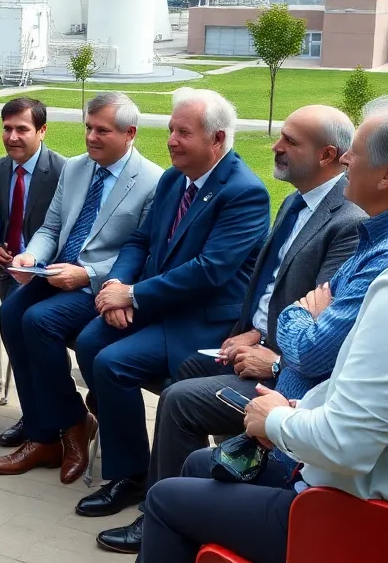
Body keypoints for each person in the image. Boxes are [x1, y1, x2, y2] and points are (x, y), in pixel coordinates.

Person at [138, 81, 388, 563]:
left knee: (166, 500)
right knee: (200, 463)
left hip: (373, 524)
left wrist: (276, 417)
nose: (345, 161)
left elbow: (345, 444)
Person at [103, 102, 388, 553]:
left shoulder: (368, 236)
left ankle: (175, 506)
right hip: (279, 378)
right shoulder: (307, 205)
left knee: (175, 401)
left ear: (385, 174)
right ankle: (215, 480)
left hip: (296, 399)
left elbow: (317, 346)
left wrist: (282, 343)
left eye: (291, 141)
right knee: (184, 379)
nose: (274, 146)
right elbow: (285, 293)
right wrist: (261, 331)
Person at [74, 87, 270, 519]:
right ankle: (129, 448)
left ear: (217, 140)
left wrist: (135, 295)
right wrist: (120, 284)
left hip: (197, 321)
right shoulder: (173, 178)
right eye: (170, 130)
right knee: (89, 342)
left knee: (112, 365)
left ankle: (134, 477)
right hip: (153, 305)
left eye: (184, 132)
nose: (171, 141)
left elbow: (209, 270)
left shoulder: (244, 192)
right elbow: (140, 239)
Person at [0, 92, 162, 483]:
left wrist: (88, 275)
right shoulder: (77, 168)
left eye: (103, 130)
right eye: (88, 127)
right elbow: (50, 228)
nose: (91, 137)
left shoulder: (153, 181)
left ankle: (69, 426)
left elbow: (145, 254)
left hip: (99, 285)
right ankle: (46, 429)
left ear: (130, 133)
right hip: (55, 272)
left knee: (39, 321)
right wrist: (31, 257)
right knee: (12, 312)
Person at [0, 98, 67, 448]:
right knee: (16, 340)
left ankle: (57, 419)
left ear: (42, 130)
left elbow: (68, 231)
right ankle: (35, 415)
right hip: (5, 271)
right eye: (7, 128)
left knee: (34, 337)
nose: (12, 137)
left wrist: (34, 262)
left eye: (22, 129)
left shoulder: (65, 172)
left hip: (45, 276)